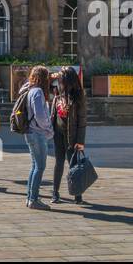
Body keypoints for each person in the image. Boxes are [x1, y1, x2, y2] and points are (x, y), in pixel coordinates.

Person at [50, 66, 88, 205]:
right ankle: (55, 193)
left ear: (68, 81)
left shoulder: (78, 97)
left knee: (74, 165)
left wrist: (80, 141)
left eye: (61, 79)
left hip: (72, 136)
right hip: (58, 134)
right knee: (58, 163)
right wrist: (53, 76)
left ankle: (78, 195)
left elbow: (82, 120)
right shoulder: (58, 94)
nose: (59, 82)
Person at [23, 65, 53, 209]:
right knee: (40, 167)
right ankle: (33, 199)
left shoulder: (29, 89)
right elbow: (40, 115)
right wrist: (49, 127)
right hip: (37, 133)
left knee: (35, 166)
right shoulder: (38, 92)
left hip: (30, 132)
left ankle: (30, 197)